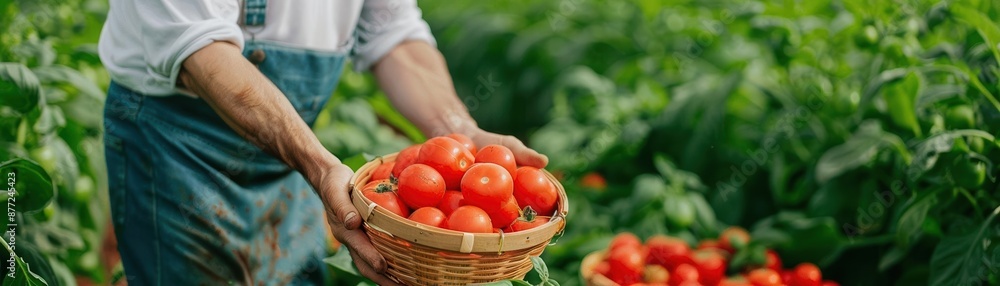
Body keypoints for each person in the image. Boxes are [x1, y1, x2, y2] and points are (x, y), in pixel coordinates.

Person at [98, 0, 548, 284]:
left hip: (287, 156)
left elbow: (393, 32)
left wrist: (459, 132)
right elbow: (201, 51)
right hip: (181, 151)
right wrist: (319, 166)